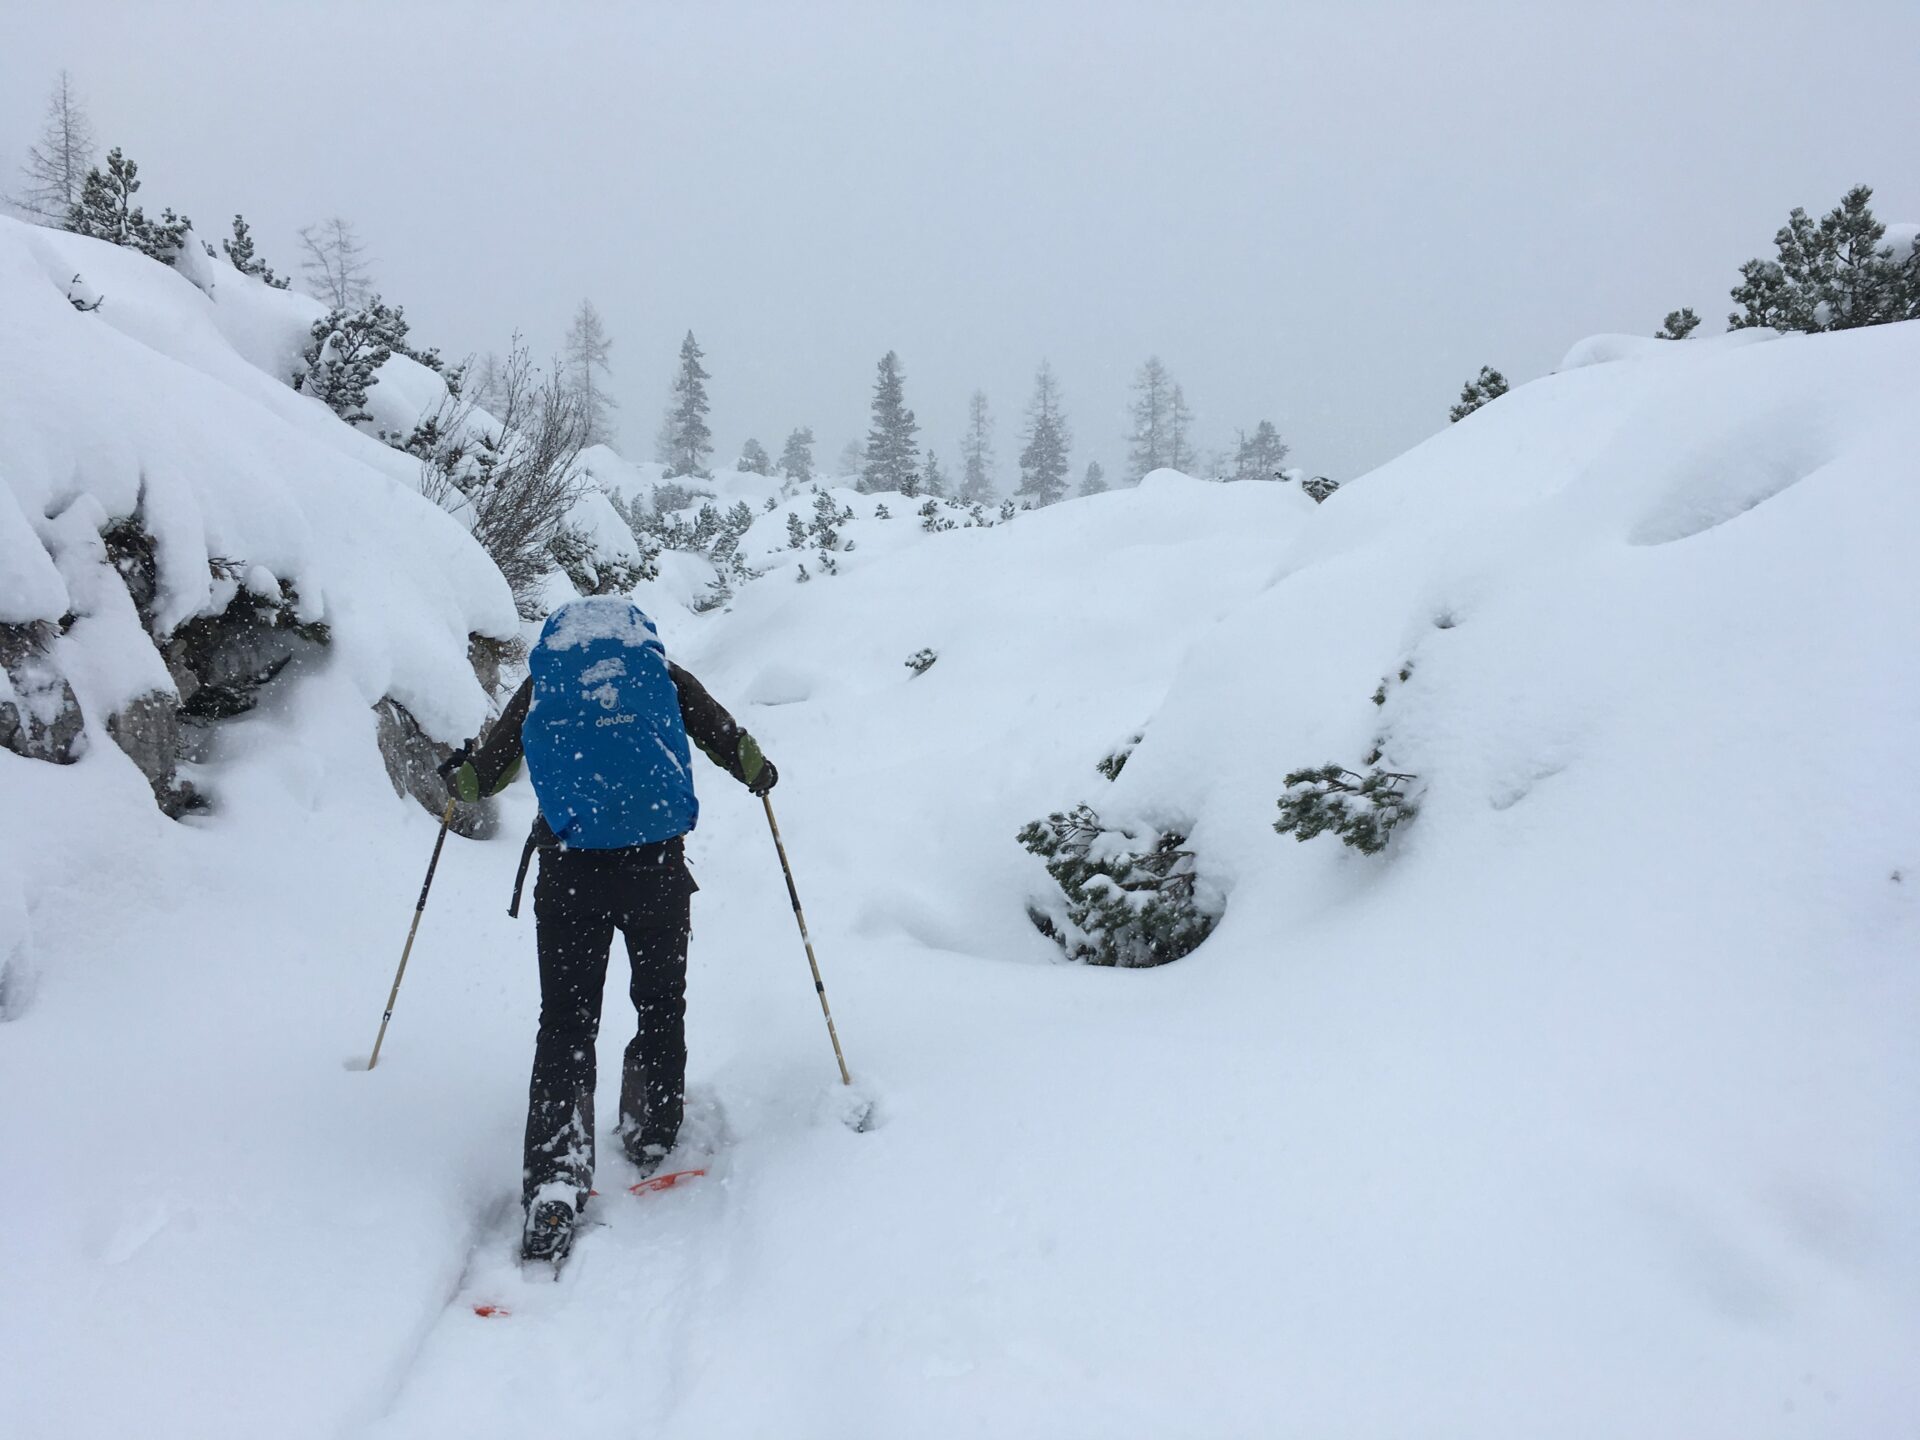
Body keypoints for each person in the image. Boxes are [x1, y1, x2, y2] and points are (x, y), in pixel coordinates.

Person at [441, 597, 776, 1262]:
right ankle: (653, 1127)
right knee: (659, 1000)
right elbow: (722, 735)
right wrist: (756, 771)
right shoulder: (661, 675)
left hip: (570, 874)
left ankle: (556, 1181)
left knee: (567, 1021)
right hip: (655, 868)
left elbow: (491, 770)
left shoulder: (546, 684)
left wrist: (463, 776)